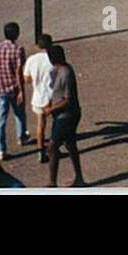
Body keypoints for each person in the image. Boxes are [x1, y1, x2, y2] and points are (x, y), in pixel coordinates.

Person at [45, 45, 85, 187]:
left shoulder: (66, 73)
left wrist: (51, 109)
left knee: (52, 145)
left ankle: (52, 182)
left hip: (67, 115)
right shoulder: (58, 71)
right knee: (70, 144)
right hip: (63, 114)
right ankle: (79, 178)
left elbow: (68, 99)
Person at [0, 22, 28, 161]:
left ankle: (1, 149)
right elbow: (19, 71)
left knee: (1, 120)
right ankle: (21, 136)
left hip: (0, 88)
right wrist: (22, 90)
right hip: (14, 87)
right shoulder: (18, 49)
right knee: (19, 113)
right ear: (17, 34)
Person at [22, 32, 55, 163]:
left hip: (38, 97)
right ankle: (54, 148)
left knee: (40, 125)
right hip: (52, 97)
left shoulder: (32, 59)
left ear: (37, 46)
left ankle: (40, 151)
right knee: (55, 125)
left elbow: (27, 79)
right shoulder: (53, 59)